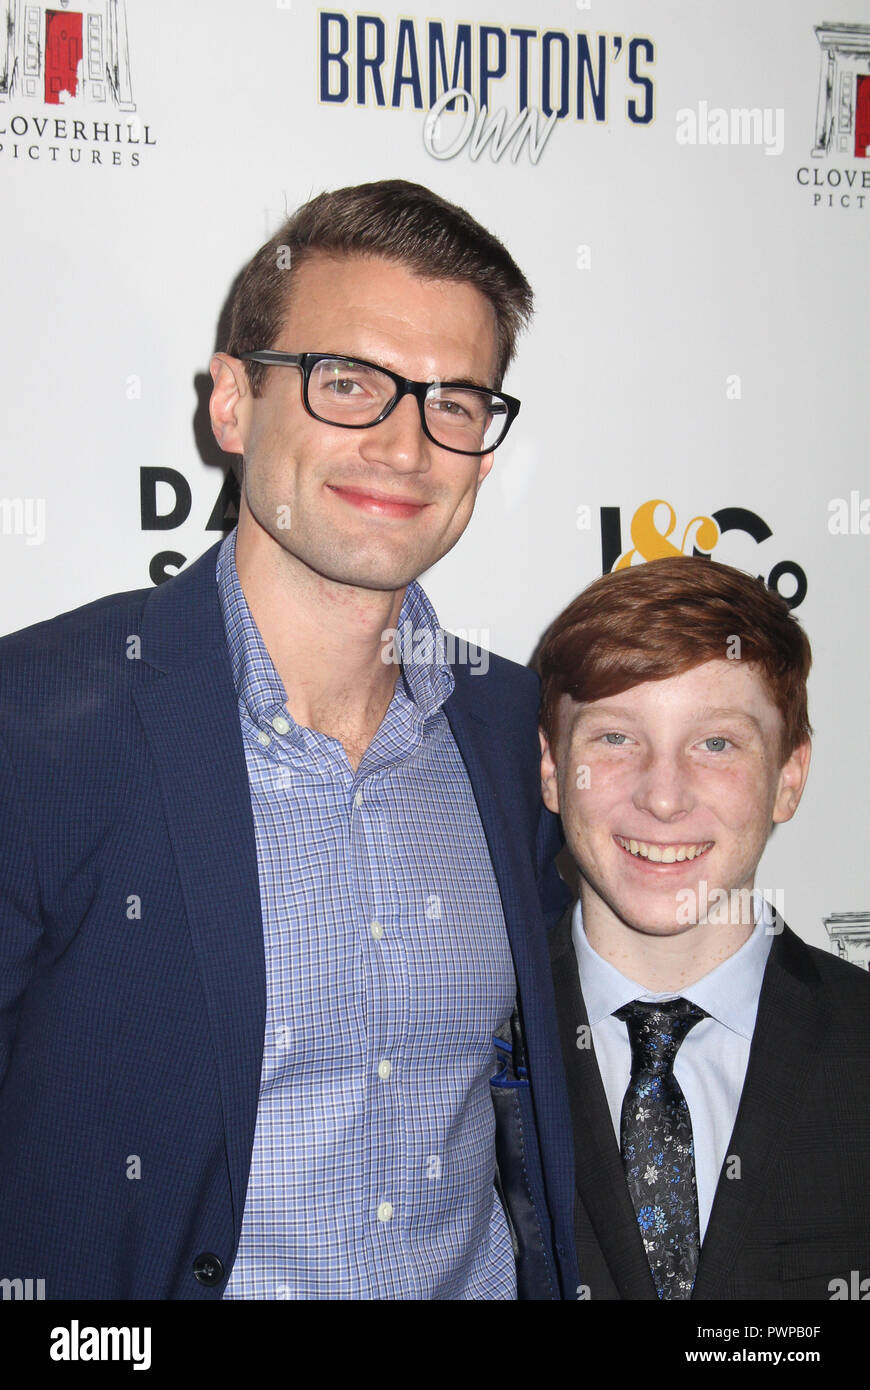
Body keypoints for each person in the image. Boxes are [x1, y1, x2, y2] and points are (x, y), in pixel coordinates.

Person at [0, 179, 576, 1300]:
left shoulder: (526, 733)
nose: (406, 446)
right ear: (232, 405)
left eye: (455, 400)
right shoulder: (36, 723)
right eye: (347, 382)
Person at [538, 556, 870, 1300]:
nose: (662, 796)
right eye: (615, 738)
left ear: (789, 776)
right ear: (552, 770)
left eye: (716, 743)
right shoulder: (460, 1052)